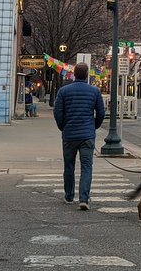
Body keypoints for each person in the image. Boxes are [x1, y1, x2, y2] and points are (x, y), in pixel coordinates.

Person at [53, 62, 105, 210]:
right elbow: (101, 113)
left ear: (74, 74)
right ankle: (84, 199)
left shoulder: (63, 91)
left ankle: (69, 196)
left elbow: (57, 113)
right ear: (87, 74)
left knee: (69, 166)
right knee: (86, 167)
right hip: (87, 135)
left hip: (69, 134)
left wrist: (63, 126)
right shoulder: (94, 91)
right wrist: (93, 126)